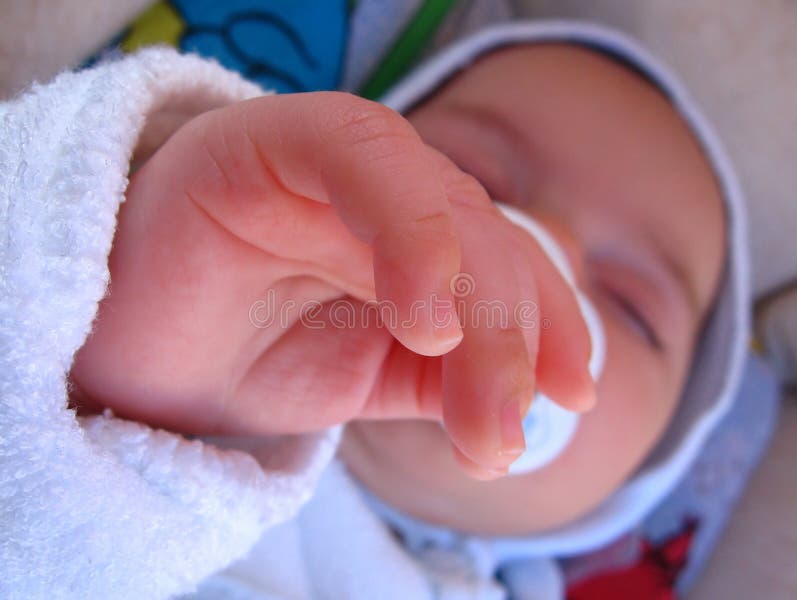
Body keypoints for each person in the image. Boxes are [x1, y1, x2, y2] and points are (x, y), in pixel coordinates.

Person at [0, 18, 751, 600]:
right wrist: (104, 336)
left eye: (632, 306)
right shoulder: (161, 416)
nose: (538, 258)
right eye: (477, 180)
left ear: (652, 468)